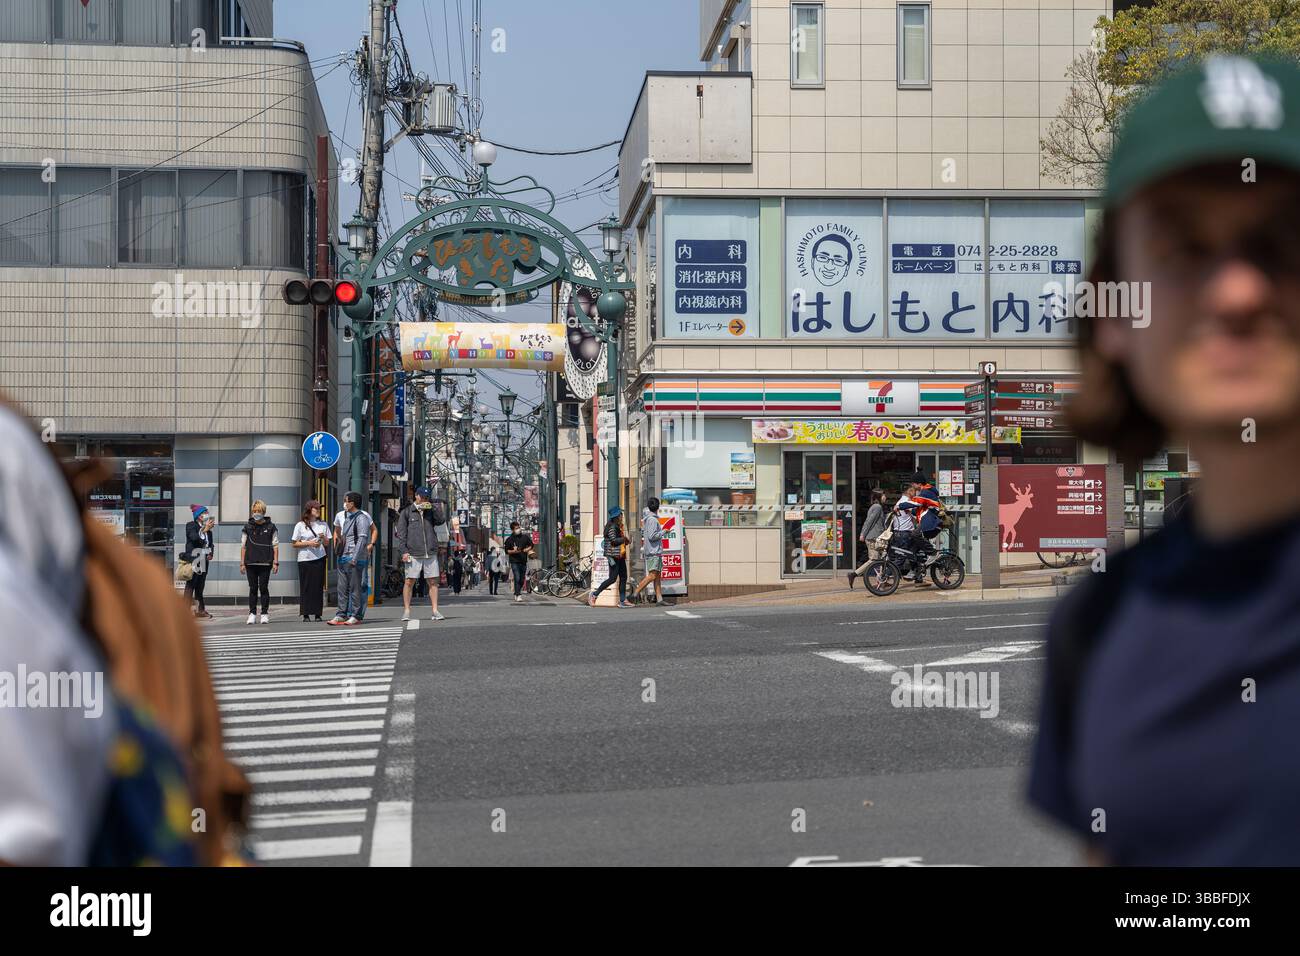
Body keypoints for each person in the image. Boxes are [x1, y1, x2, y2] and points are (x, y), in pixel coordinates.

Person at [1028, 55, 1300, 865]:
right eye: (1183, 246)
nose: (1237, 291)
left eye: (1284, 240)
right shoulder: (1097, 625)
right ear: (1112, 307)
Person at [394, 486, 446, 622]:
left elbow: (441, 520)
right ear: (416, 496)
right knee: (409, 581)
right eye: (422, 497)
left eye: (426, 497)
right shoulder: (407, 512)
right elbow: (401, 534)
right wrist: (403, 551)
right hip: (413, 552)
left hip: (430, 551)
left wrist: (433, 507)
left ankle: (435, 610)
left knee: (433, 582)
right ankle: (406, 610)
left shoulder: (430, 512)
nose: (424, 499)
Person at [329, 491, 377, 627]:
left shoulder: (362, 517)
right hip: (343, 556)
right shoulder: (346, 517)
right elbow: (338, 534)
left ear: (352, 503)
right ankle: (341, 614)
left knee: (355, 587)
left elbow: (362, 537)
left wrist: (355, 558)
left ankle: (355, 615)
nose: (344, 503)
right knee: (342, 588)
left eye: (346, 500)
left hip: (354, 557)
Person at [239, 499, 279, 624]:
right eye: (254, 511)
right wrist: (242, 563)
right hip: (250, 562)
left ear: (263, 512)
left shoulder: (271, 527)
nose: (256, 513)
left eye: (259, 511)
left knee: (263, 588)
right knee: (252, 588)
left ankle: (264, 614)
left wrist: (275, 562)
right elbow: (243, 546)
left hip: (265, 563)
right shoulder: (248, 527)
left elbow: (276, 545)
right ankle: (252, 613)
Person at [291, 499, 330, 622]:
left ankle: (318, 613)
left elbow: (327, 543)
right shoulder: (300, 525)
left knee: (318, 585)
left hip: (320, 557)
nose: (318, 511)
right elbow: (294, 543)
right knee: (306, 586)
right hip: (304, 559)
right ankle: (305, 614)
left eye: (319, 509)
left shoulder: (323, 524)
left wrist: (323, 539)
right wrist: (309, 543)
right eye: (316, 508)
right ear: (309, 510)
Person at [589, 506, 633, 607]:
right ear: (617, 516)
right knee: (612, 578)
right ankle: (594, 594)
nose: (622, 516)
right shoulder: (612, 527)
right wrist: (624, 539)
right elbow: (613, 540)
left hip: (619, 555)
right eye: (620, 514)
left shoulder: (616, 525)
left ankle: (622, 600)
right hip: (613, 556)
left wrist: (623, 541)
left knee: (623, 577)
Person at [847, 490, 887, 589]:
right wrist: (863, 534)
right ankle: (854, 574)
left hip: (875, 537)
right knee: (874, 560)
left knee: (881, 560)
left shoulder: (875, 507)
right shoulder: (877, 507)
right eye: (883, 495)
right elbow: (869, 522)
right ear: (878, 496)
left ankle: (882, 581)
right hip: (873, 537)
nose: (885, 497)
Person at [182, 504, 215, 618]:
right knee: (191, 585)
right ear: (198, 516)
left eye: (207, 513)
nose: (206, 515)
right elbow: (194, 538)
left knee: (200, 586)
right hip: (194, 559)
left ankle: (200, 610)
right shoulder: (191, 526)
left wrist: (211, 553)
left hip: (204, 559)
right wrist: (204, 530)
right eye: (204, 513)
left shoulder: (208, 530)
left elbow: (210, 544)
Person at [631, 497, 665, 605]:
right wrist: (664, 532)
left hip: (654, 551)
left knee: (657, 575)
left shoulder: (648, 519)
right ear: (658, 507)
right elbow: (652, 536)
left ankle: (660, 599)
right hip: (653, 551)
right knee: (653, 575)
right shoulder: (652, 520)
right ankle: (635, 593)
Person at [504, 520, 533, 603]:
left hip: (523, 560)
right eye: (516, 528)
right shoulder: (509, 539)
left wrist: (527, 549)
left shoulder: (525, 537)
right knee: (517, 577)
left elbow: (531, 545)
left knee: (522, 579)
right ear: (512, 530)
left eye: (519, 527)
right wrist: (514, 551)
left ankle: (516, 593)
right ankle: (518, 594)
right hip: (514, 561)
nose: (518, 529)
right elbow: (507, 551)